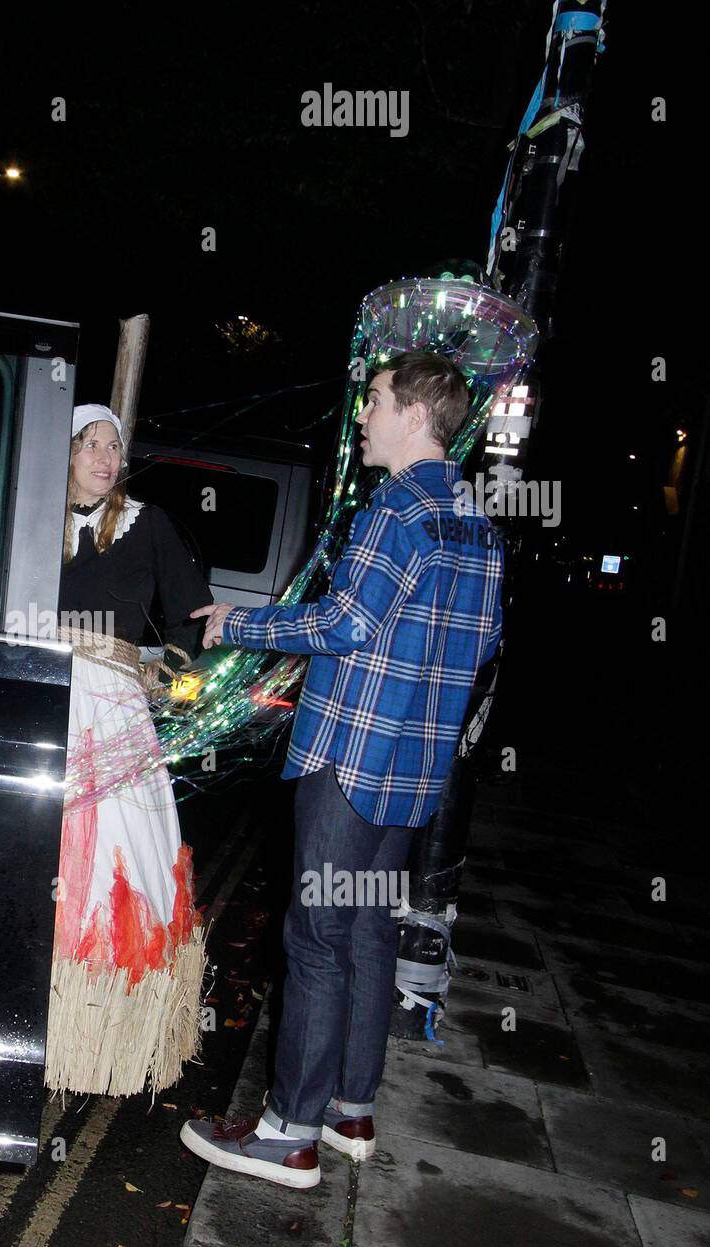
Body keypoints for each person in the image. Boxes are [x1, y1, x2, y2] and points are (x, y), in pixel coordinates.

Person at [181, 352, 502, 1188]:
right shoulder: (476, 518)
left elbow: (348, 620)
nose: (364, 414)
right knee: (364, 927)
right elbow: (481, 644)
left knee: (316, 935)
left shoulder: (397, 505)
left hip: (351, 755)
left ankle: (288, 1133)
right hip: (413, 769)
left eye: (378, 401)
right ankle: (350, 1107)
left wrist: (243, 623)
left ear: (417, 417)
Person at [46, 403, 215, 1097]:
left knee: (117, 860)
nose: (107, 456)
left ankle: (100, 1043)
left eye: (115, 446)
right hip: (43, 692)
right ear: (65, 452)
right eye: (91, 444)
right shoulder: (34, 521)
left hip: (112, 706)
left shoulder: (149, 524)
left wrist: (169, 668)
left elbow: (192, 610)